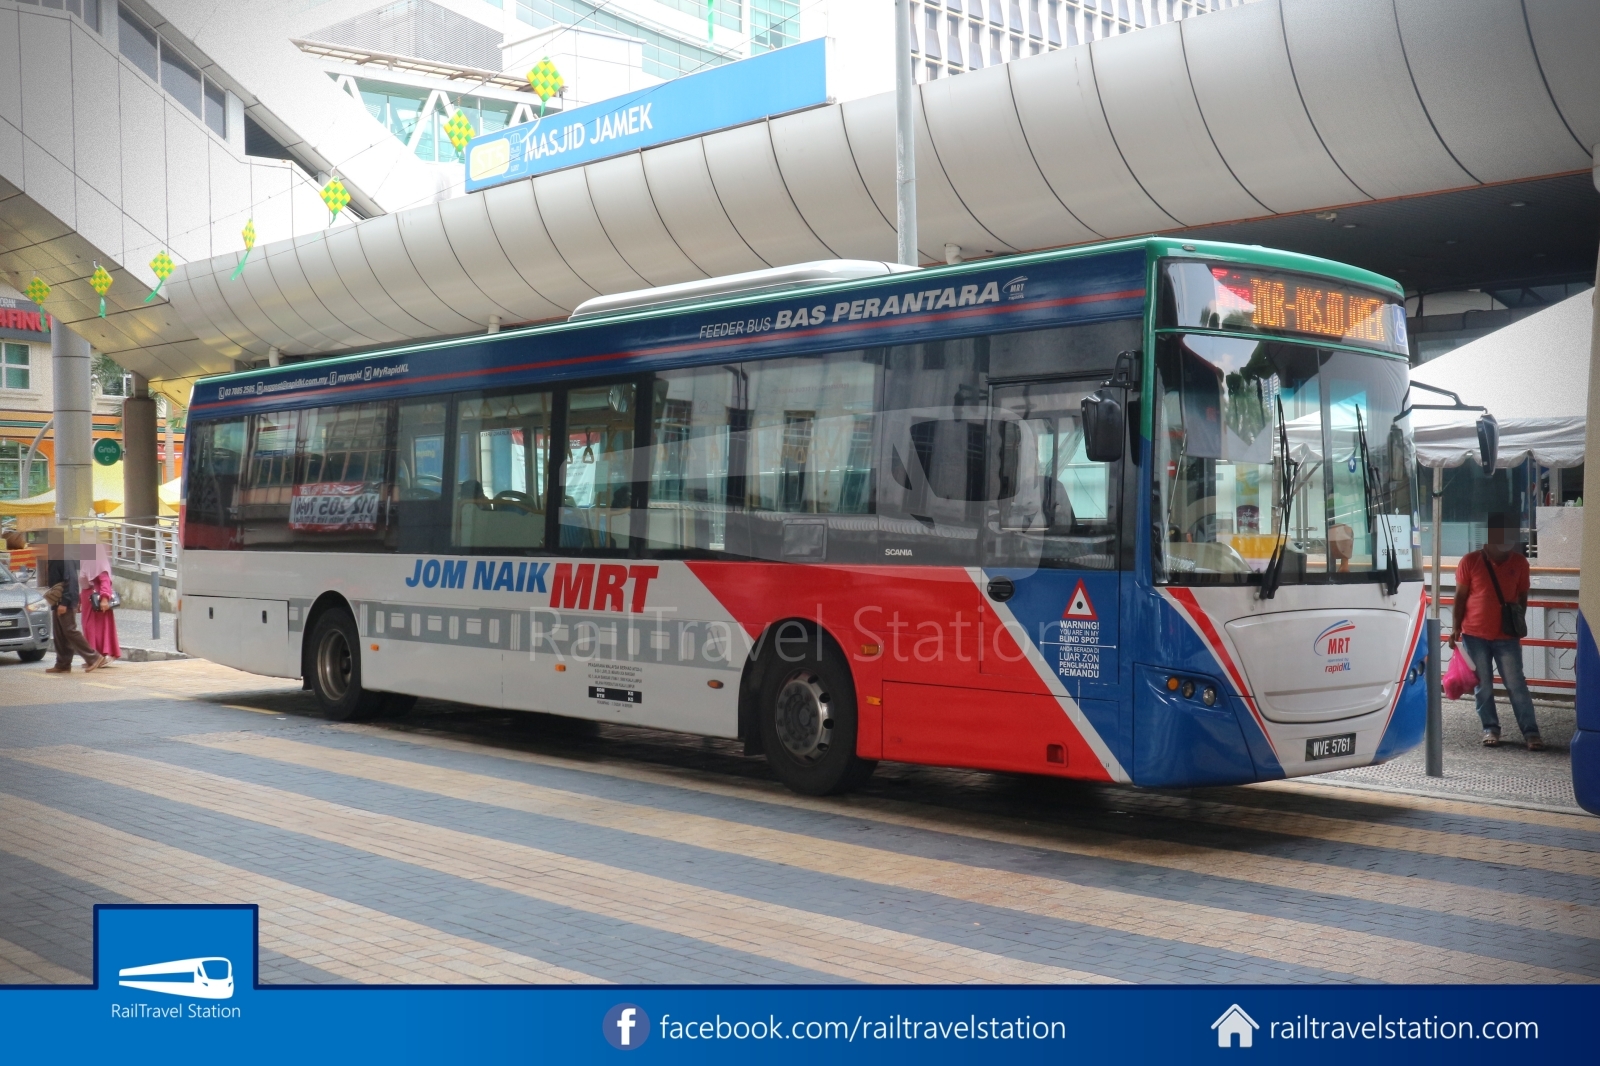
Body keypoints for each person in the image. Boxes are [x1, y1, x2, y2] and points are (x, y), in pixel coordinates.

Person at [1449, 512, 1540, 749]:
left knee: (1516, 684)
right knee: (1484, 685)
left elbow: (1522, 598)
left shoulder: (1520, 563)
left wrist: (1516, 623)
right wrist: (1455, 627)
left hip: (1507, 637)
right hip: (1474, 634)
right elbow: (1460, 597)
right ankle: (1490, 729)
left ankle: (1531, 733)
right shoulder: (1470, 561)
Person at [43, 552, 105, 674]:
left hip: (65, 600)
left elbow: (70, 581)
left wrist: (65, 603)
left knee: (70, 630)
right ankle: (63, 664)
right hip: (57, 599)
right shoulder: (54, 556)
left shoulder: (64, 557)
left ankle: (93, 657)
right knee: (59, 633)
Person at [81, 567, 121, 662]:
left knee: (96, 628)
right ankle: (94, 656)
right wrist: (80, 600)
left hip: (96, 599)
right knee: (88, 627)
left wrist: (104, 598)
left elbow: (105, 579)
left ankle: (101, 655)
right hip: (88, 599)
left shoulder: (97, 559)